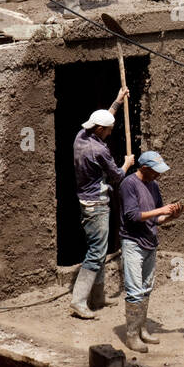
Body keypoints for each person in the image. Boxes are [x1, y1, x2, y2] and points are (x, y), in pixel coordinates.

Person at [70, 91, 134, 320]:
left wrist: (117, 101)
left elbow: (104, 118)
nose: (109, 133)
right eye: (108, 130)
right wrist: (126, 164)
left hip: (87, 203)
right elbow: (116, 176)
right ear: (99, 130)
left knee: (99, 250)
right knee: (96, 253)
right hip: (96, 205)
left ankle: (97, 298)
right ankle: (78, 302)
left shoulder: (81, 136)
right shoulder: (99, 150)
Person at [119, 152, 184, 351]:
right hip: (133, 243)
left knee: (146, 288)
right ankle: (132, 336)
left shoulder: (153, 185)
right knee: (135, 290)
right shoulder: (128, 184)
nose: (159, 176)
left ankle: (142, 329)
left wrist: (172, 215)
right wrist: (161, 210)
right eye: (156, 172)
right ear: (145, 168)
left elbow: (157, 220)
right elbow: (132, 216)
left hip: (149, 242)